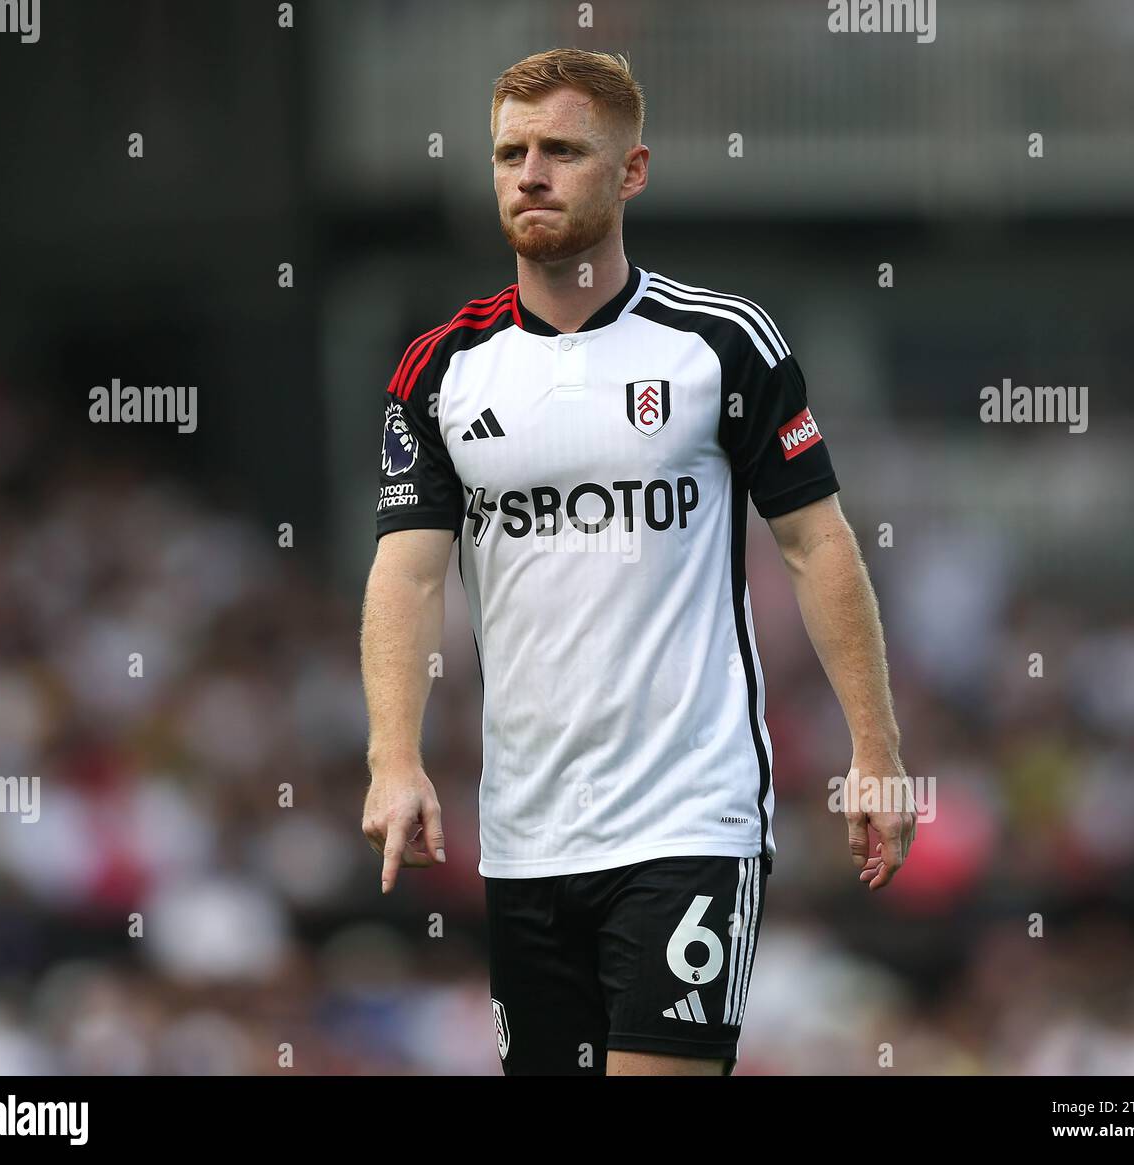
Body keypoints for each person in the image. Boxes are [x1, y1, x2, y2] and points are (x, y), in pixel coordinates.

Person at [361, 47, 915, 1076]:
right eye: (510, 152)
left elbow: (814, 541)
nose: (530, 174)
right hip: (526, 831)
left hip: (686, 814)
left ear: (631, 171)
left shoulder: (720, 343)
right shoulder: (439, 369)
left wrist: (874, 752)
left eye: (563, 151)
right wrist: (394, 758)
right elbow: (407, 572)